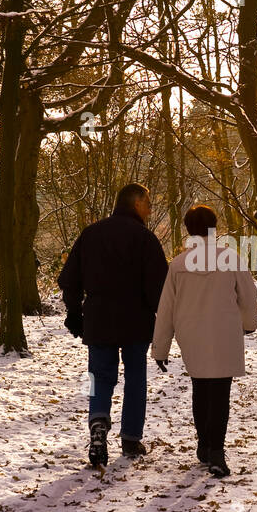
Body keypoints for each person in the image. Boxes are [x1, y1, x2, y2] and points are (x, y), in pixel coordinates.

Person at [58, 183, 169, 471]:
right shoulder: (145, 239)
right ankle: (131, 437)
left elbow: (69, 279)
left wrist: (74, 311)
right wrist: (164, 321)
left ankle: (97, 422)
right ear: (136, 203)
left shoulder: (91, 234)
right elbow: (161, 288)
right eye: (148, 203)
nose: (150, 209)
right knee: (135, 378)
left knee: (99, 377)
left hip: (99, 320)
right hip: (136, 321)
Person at [151, 205, 257, 478]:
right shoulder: (230, 258)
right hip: (224, 332)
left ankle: (204, 444)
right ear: (215, 227)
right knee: (220, 391)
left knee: (200, 387)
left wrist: (160, 348)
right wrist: (248, 325)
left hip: (191, 334)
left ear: (188, 229)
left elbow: (166, 308)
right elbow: (248, 296)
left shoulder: (178, 264)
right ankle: (216, 451)